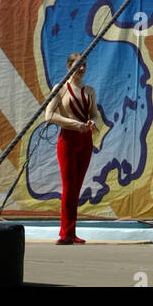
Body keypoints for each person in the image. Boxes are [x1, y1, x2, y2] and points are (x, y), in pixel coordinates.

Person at [45, 52, 101, 245]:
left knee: (76, 188)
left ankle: (72, 231)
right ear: (69, 67)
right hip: (67, 140)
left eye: (84, 65)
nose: (82, 69)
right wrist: (73, 123)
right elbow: (49, 115)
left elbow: (94, 114)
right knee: (68, 186)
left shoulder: (89, 91)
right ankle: (65, 233)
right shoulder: (60, 89)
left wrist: (92, 123)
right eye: (78, 65)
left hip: (85, 141)